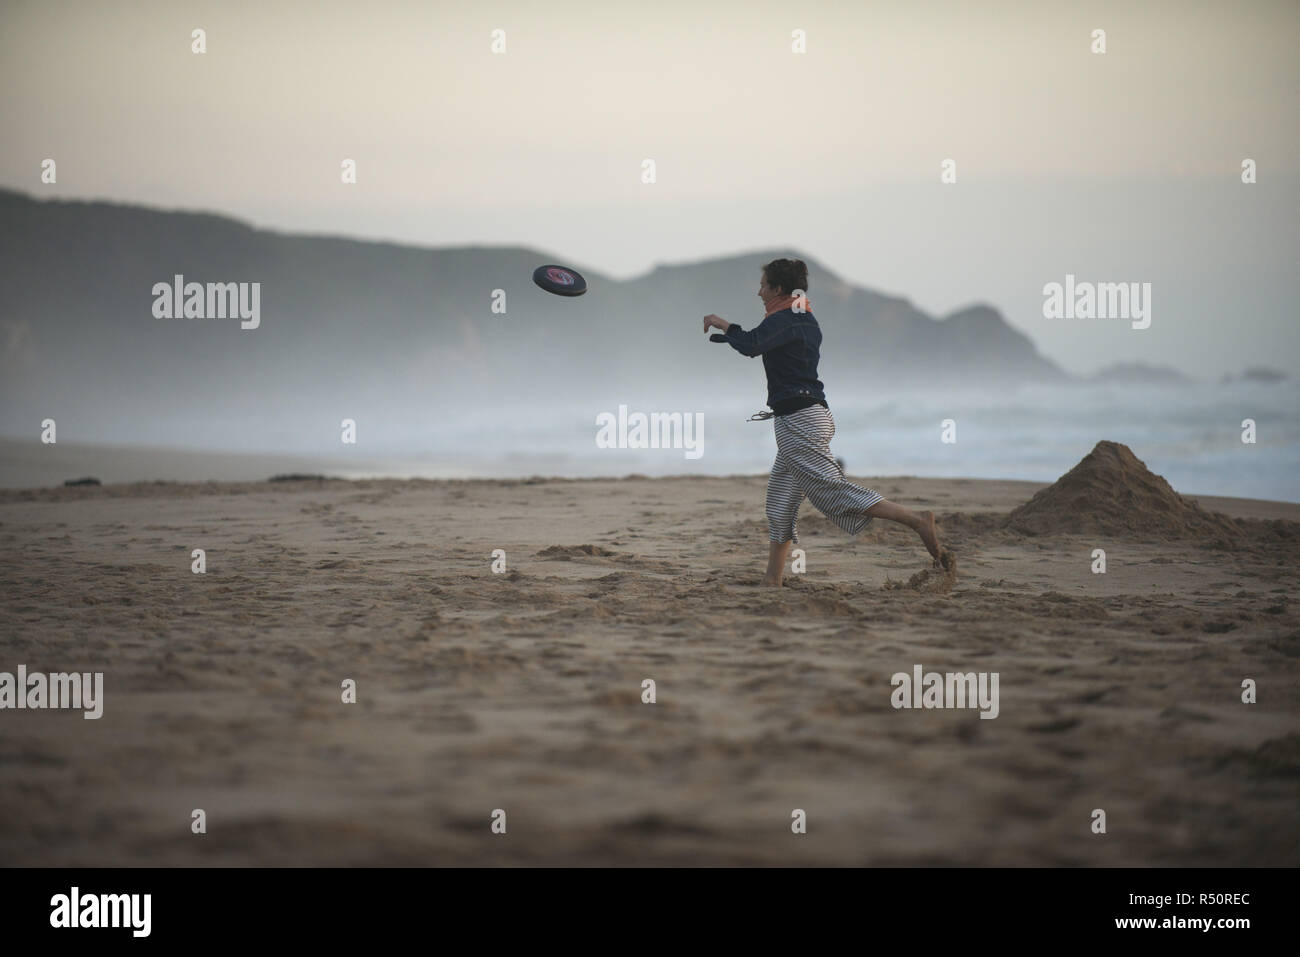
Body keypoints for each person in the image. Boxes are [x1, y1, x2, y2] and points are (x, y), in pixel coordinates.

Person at [703, 258, 944, 587]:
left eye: (763, 285)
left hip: (800, 419)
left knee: (832, 491)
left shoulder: (787, 318)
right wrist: (731, 336)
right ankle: (772, 579)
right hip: (805, 416)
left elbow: (752, 344)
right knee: (780, 502)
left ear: (777, 288)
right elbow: (761, 341)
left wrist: (723, 325)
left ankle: (917, 520)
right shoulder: (801, 318)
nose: (758, 291)